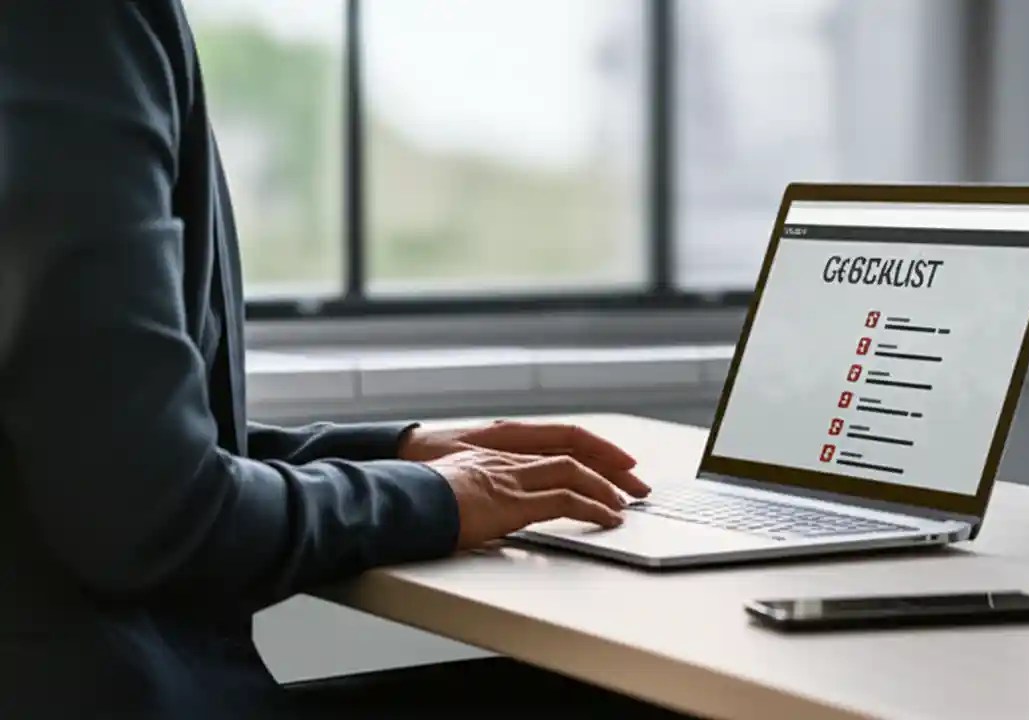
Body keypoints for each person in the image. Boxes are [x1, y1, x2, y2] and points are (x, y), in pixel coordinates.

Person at [0, 2, 680, 718]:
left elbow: (84, 434)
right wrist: (437, 499)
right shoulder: (70, 23)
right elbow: (145, 510)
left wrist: (400, 451)